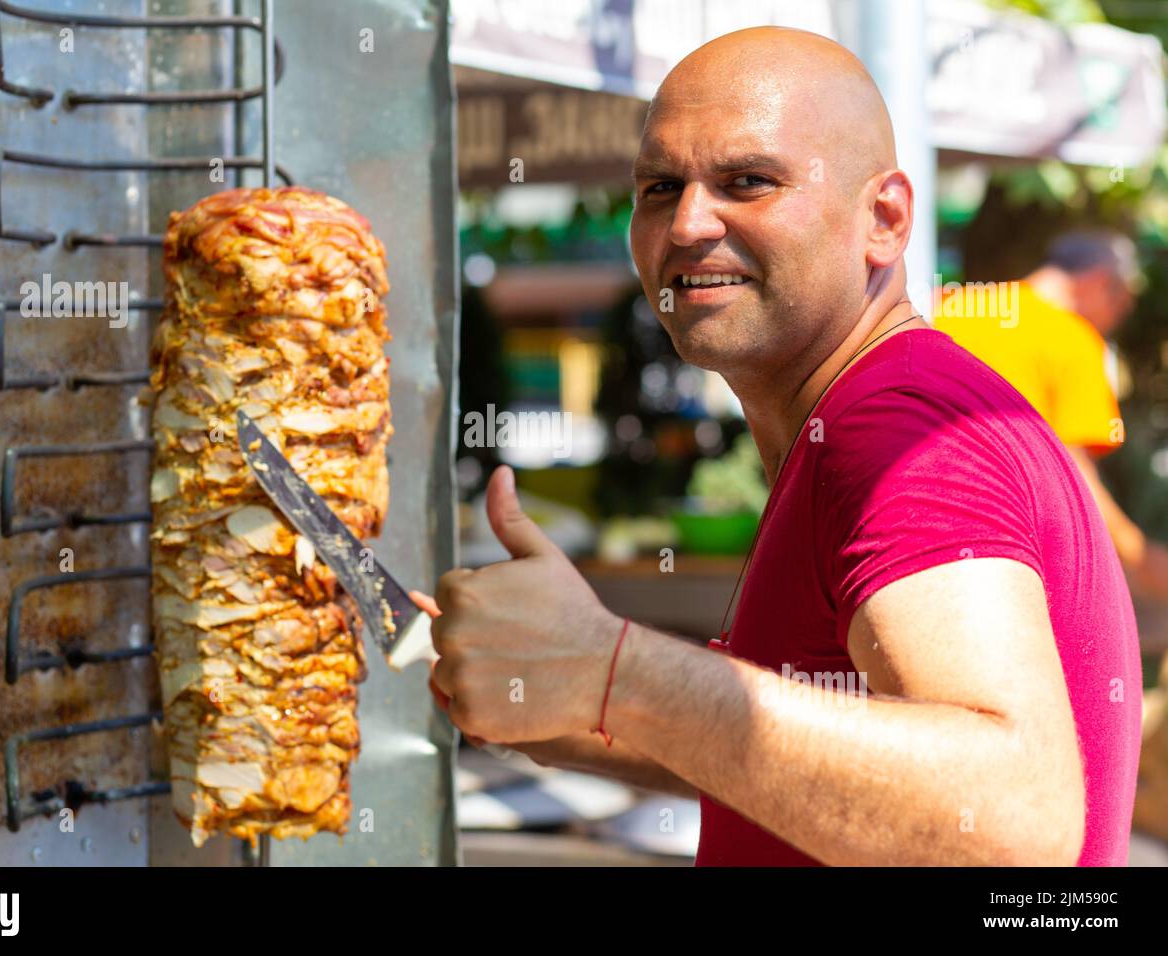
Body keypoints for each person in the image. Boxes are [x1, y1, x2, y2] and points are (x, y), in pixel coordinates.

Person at [411, 26, 1142, 865]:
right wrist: (563, 697)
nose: (688, 224)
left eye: (748, 182)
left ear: (884, 219)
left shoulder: (893, 426)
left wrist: (614, 670)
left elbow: (1015, 823)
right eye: (659, 187)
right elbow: (814, 745)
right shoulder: (873, 409)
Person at [934, 230, 1168, 599]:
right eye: (1124, 302)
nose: (1121, 315)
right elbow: (1072, 470)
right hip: (1007, 547)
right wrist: (1136, 552)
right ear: (1101, 283)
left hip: (920, 520)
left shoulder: (952, 305)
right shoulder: (1073, 337)